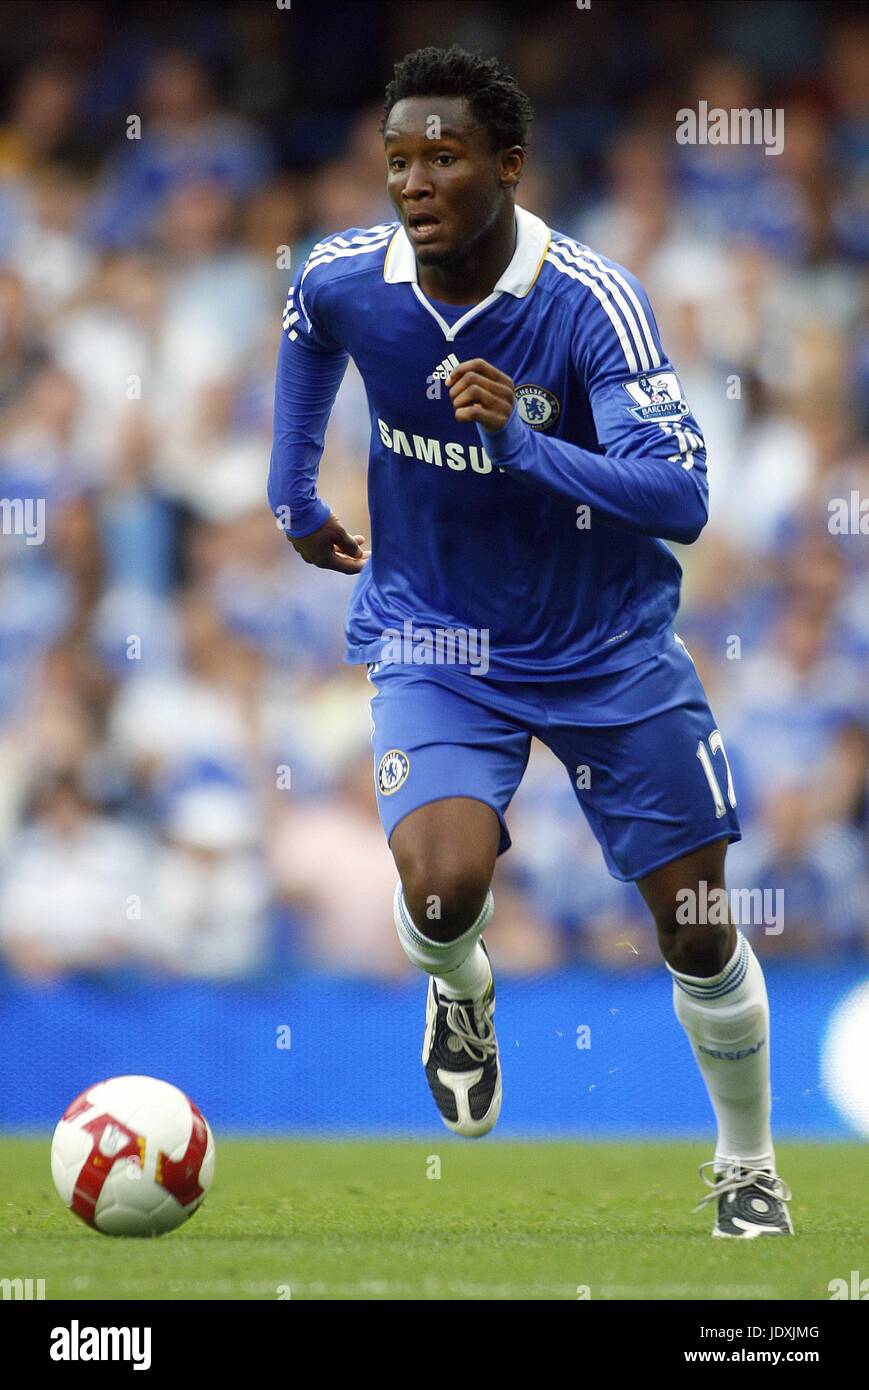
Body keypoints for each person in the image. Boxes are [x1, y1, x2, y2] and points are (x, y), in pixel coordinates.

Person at [268, 46, 792, 1238]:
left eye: (441, 157)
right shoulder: (352, 278)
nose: (411, 181)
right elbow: (306, 327)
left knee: (695, 924)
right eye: (397, 158)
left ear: (506, 167)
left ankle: (746, 1160)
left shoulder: (588, 301)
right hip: (436, 634)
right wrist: (293, 493)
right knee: (442, 886)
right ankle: (458, 994)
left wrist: (524, 448)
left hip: (604, 642)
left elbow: (680, 498)